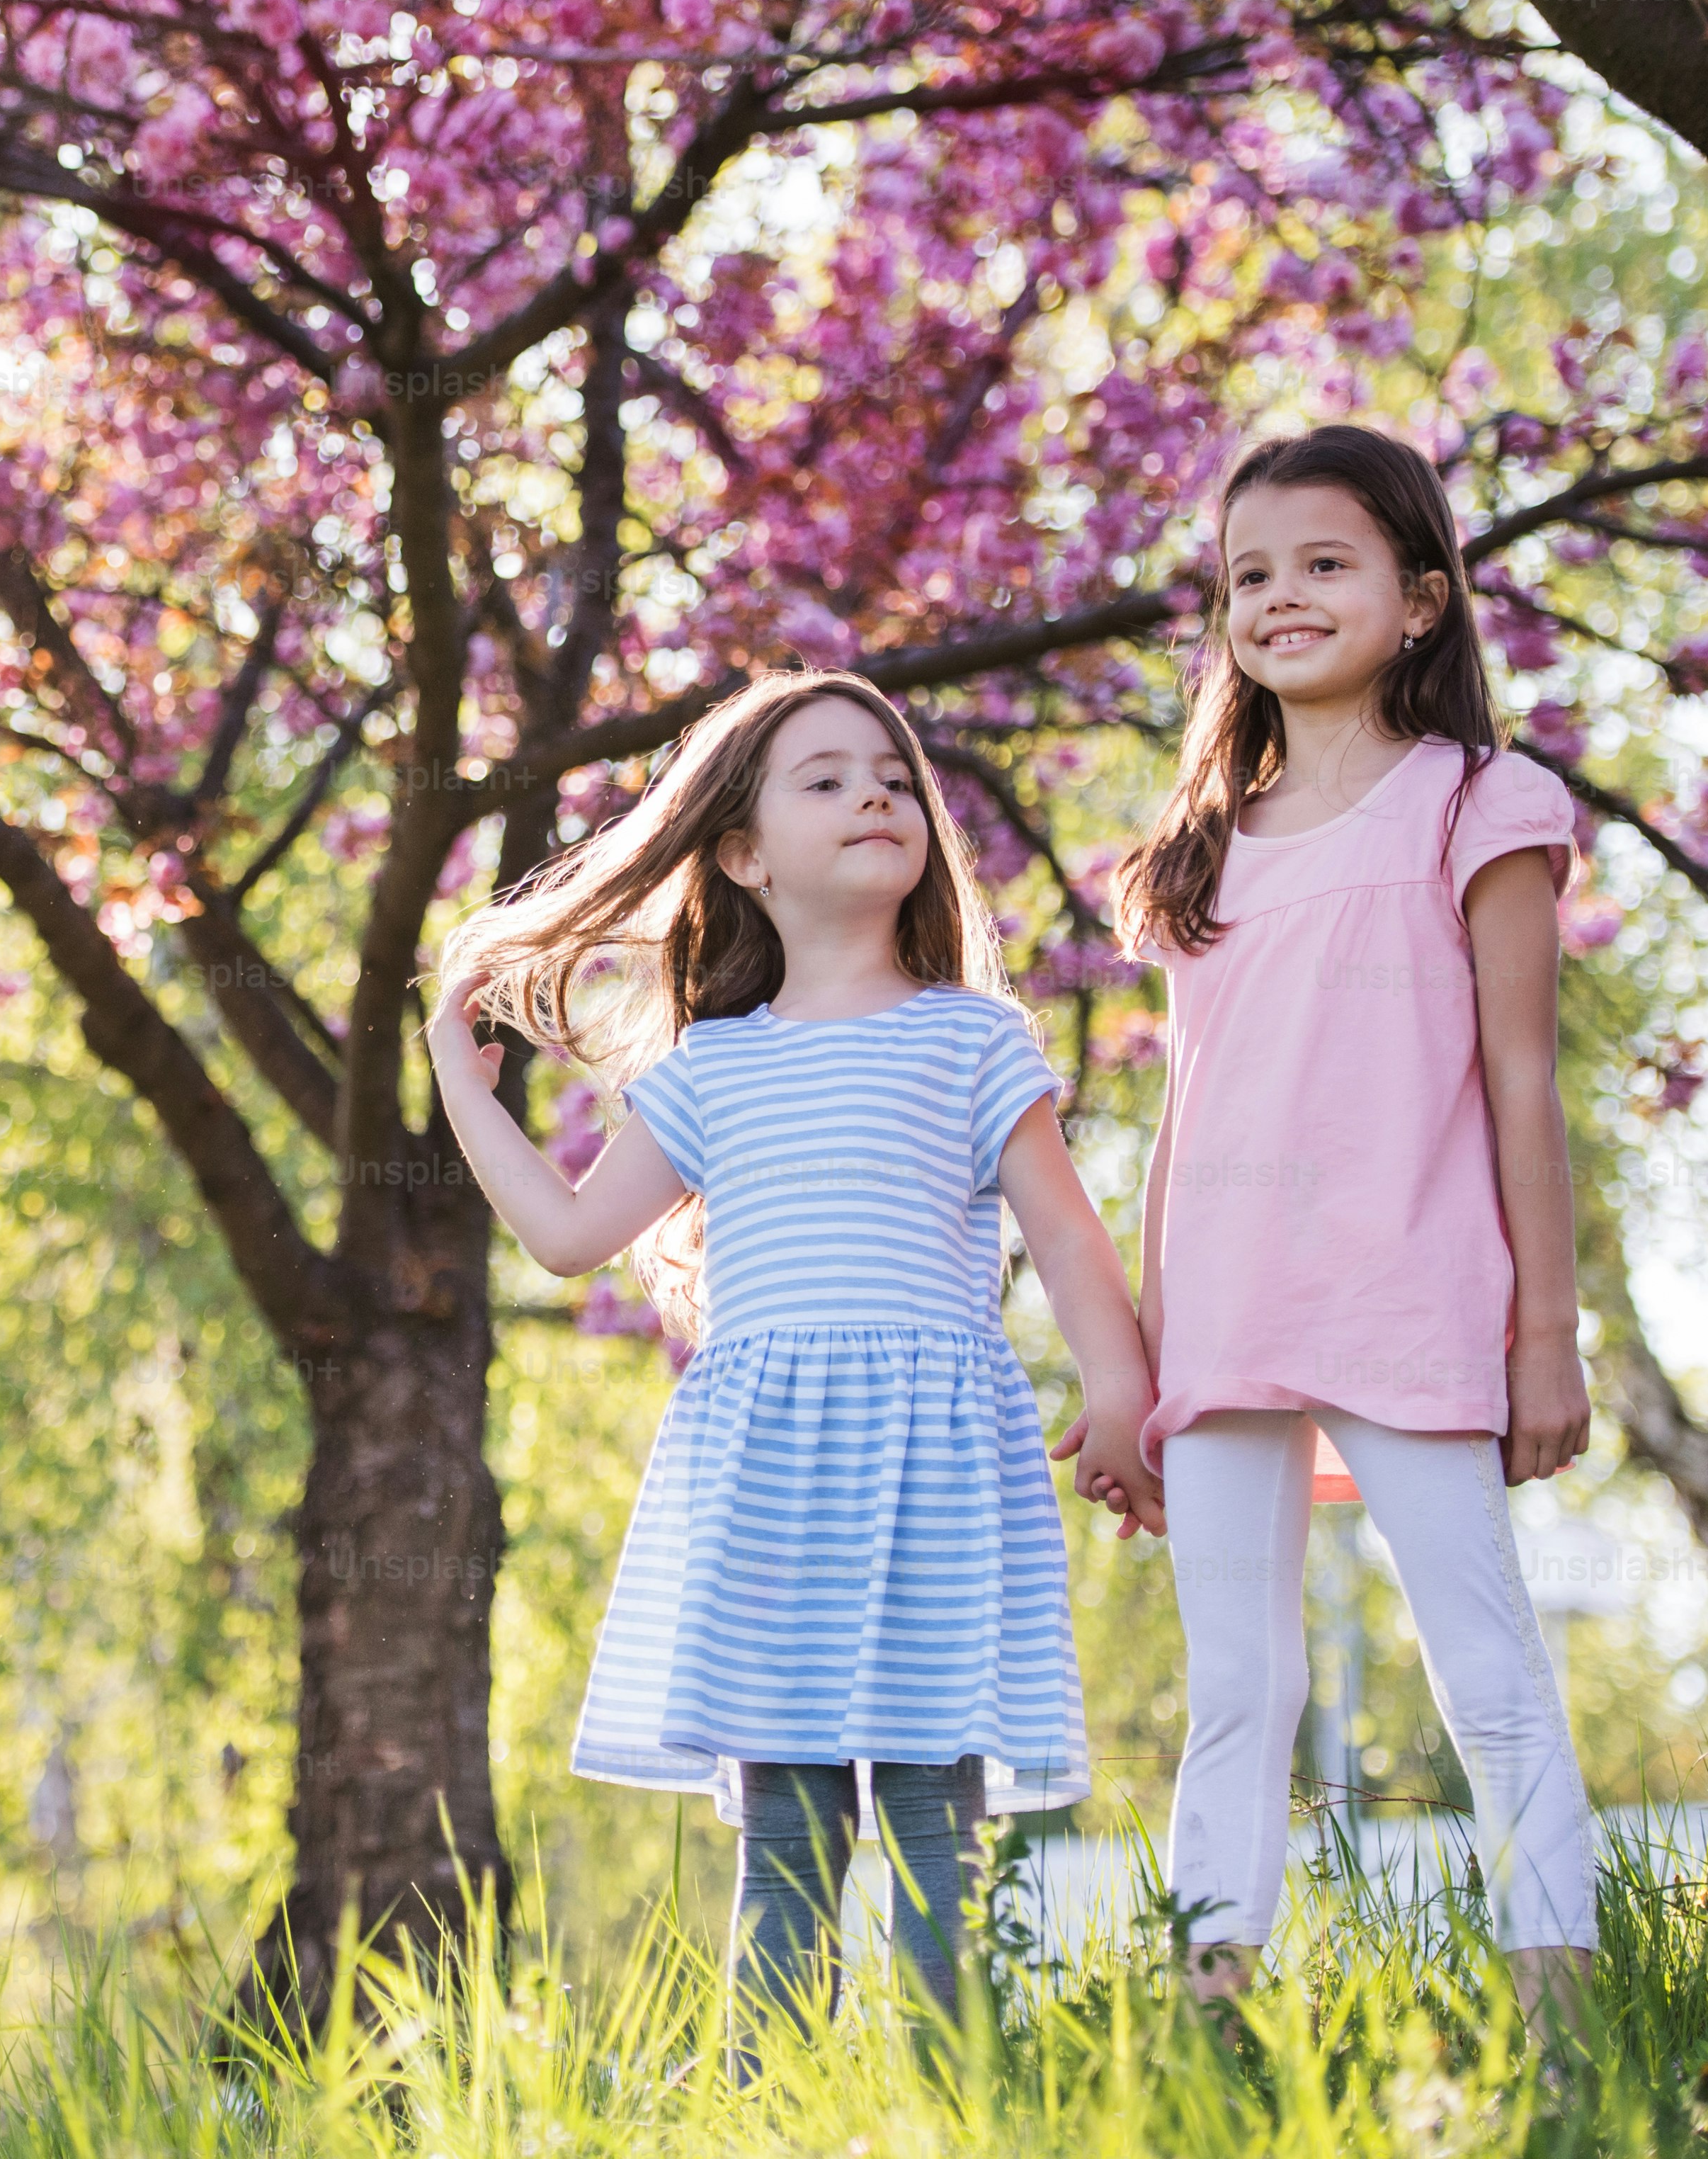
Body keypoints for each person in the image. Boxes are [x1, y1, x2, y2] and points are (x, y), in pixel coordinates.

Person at [424, 668, 1163, 2078]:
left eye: (891, 777)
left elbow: (1071, 1240)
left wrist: (1119, 1395)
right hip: (765, 1488)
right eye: (824, 779)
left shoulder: (971, 1037)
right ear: (745, 855)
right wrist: (465, 1080)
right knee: (792, 1831)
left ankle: (956, 2095)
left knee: (937, 1820)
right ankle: (770, 2103)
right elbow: (568, 1235)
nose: (874, 795)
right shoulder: (714, 1069)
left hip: (938, 1473)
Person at [1095, 422, 1601, 2048]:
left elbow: (1522, 1081)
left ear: (1422, 598)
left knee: (1487, 1671)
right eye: (1251, 572)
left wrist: (1546, 1335)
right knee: (1239, 1692)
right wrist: (1144, 1365)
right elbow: (1184, 1127)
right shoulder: (1203, 851)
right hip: (1225, 1323)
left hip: (1410, 1298)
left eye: (1326, 561)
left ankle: (1566, 2030)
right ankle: (1206, 2032)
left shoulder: (1481, 802)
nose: (1283, 595)